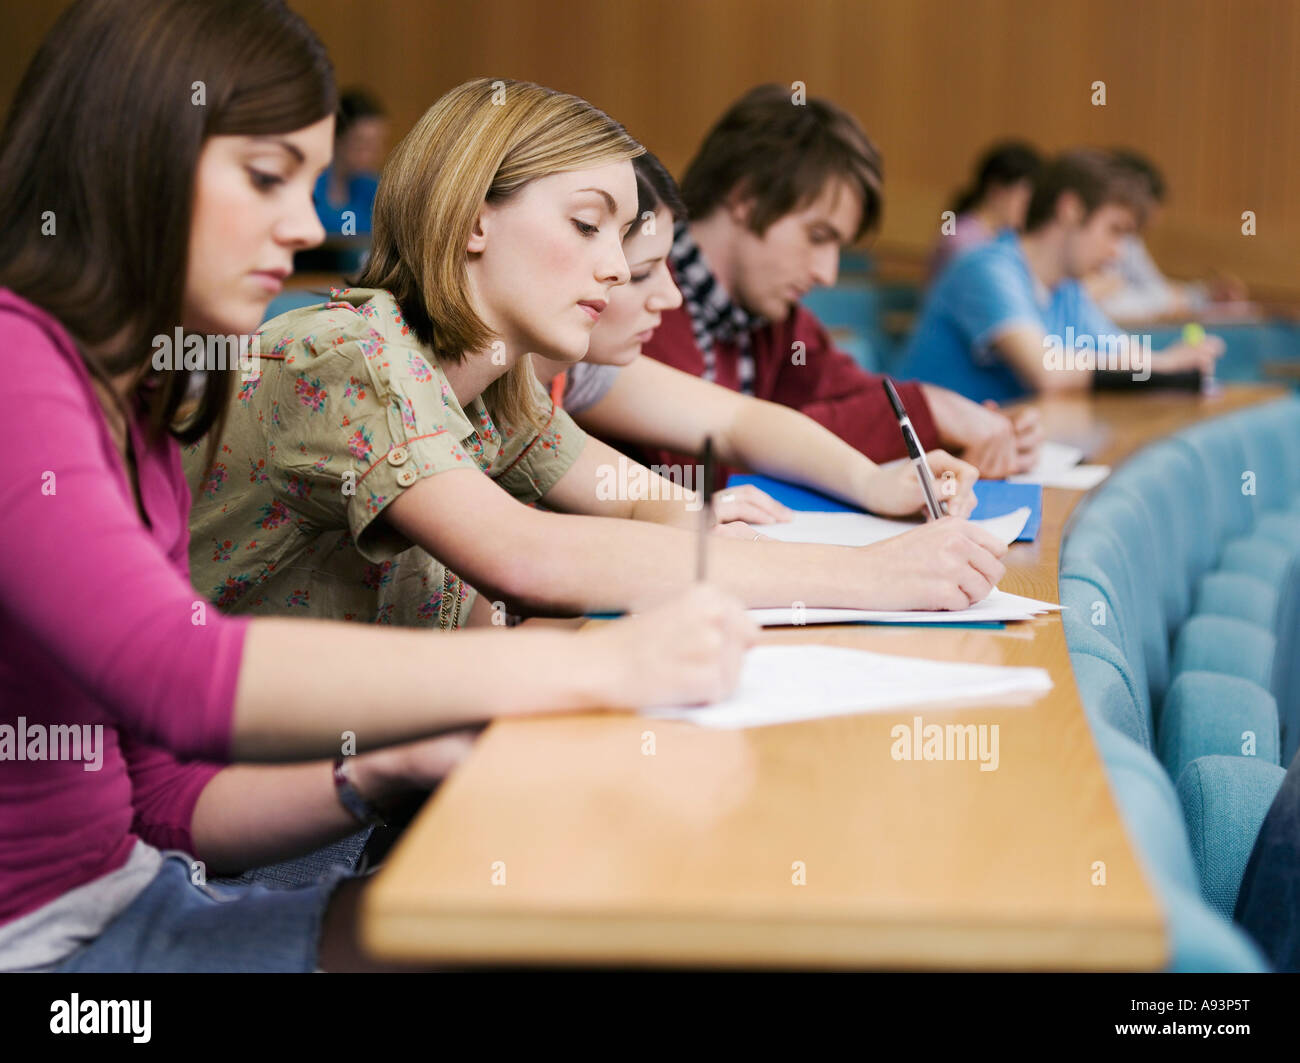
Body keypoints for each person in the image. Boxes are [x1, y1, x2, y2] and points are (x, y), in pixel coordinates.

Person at [0, 0, 754, 974]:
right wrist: (593, 669)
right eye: (267, 176)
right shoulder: (17, 362)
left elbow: (165, 801)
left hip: (142, 894)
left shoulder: (150, 401)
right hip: (46, 951)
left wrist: (382, 766)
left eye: (312, 182)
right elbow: (174, 674)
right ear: (133, 152)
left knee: (557, 910)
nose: (309, 223)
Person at [187, 77, 1011, 642]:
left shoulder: (499, 390)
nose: (618, 270)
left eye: (626, 238)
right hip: (246, 826)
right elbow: (529, 553)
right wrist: (870, 577)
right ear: (474, 219)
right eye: (590, 225)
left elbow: (639, 507)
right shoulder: (356, 359)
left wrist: (698, 530)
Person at [533, 150, 982, 530]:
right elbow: (523, 548)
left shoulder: (576, 373)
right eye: (643, 274)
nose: (671, 296)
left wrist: (872, 483)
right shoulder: (527, 381)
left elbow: (740, 424)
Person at [637, 84, 1043, 484]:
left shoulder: (773, 319)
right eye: (817, 236)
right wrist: (930, 414)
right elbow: (701, 471)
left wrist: (968, 423)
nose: (827, 274)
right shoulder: (641, 301)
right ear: (746, 199)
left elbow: (864, 397)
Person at [898, 149, 1226, 404]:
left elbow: (1126, 353)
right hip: (920, 466)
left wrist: (1173, 361)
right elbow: (1046, 371)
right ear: (1070, 209)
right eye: (1114, 230)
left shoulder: (1066, 290)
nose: (1118, 253)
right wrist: (1166, 365)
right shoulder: (987, 268)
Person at [1090, 148, 1249, 326]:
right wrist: (1170, 301)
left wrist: (1204, 295)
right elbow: (1106, 306)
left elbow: (1154, 285)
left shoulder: (1129, 242)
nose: (1117, 252)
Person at [927, 141, 1041, 283]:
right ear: (997, 190)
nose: (1028, 209)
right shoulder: (959, 239)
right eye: (1024, 200)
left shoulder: (1007, 238)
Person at [313, 87, 387, 236]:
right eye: (362, 143)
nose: (372, 154)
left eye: (377, 144)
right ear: (336, 137)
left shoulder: (374, 189)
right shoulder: (311, 185)